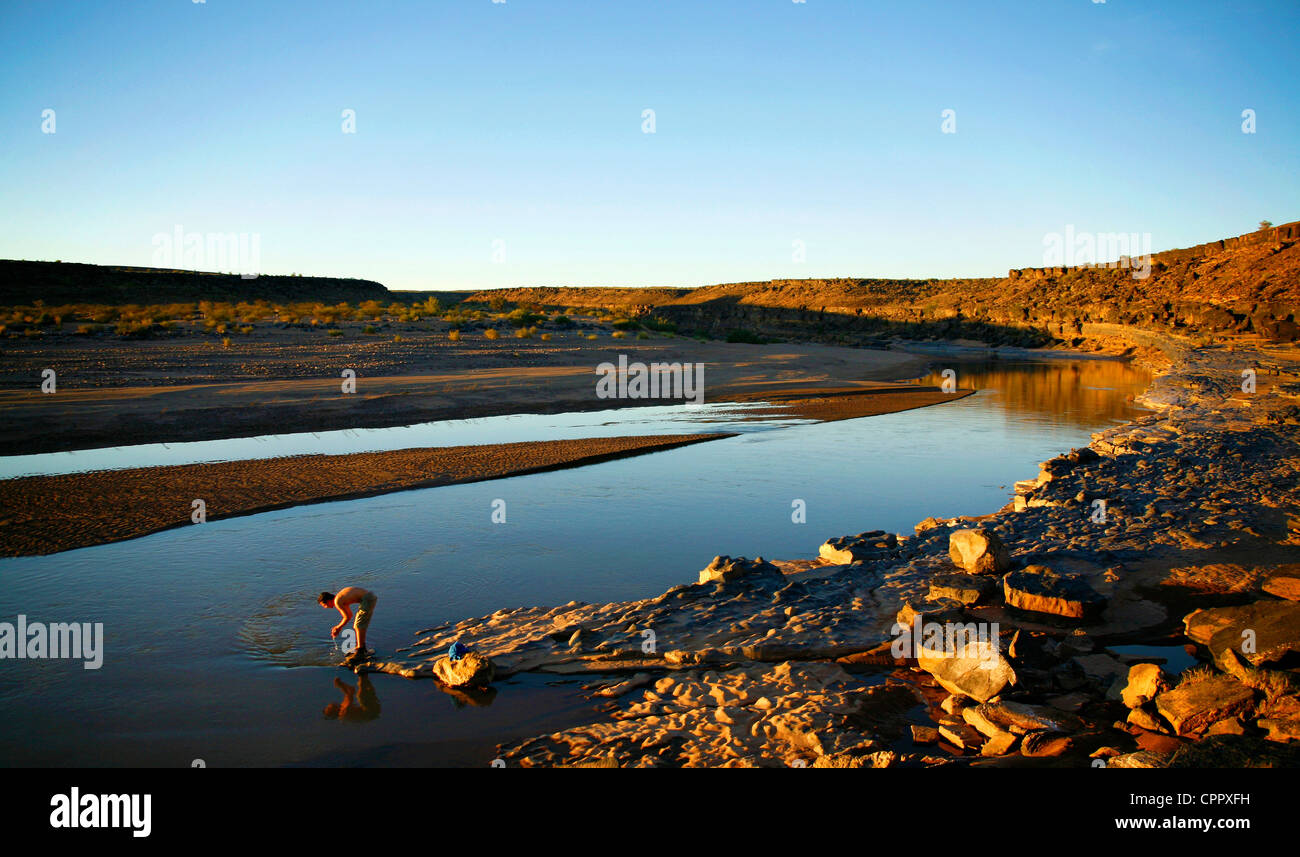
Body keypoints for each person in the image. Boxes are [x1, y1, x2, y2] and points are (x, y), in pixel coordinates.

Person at [318, 586, 377, 664]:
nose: (325, 607)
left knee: (359, 625)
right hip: (368, 597)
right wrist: (339, 627)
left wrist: (338, 627)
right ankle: (362, 648)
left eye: (324, 605)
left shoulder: (337, 601)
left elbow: (347, 617)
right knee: (358, 625)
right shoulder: (339, 598)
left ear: (328, 601)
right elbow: (349, 615)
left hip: (367, 599)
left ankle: (361, 651)